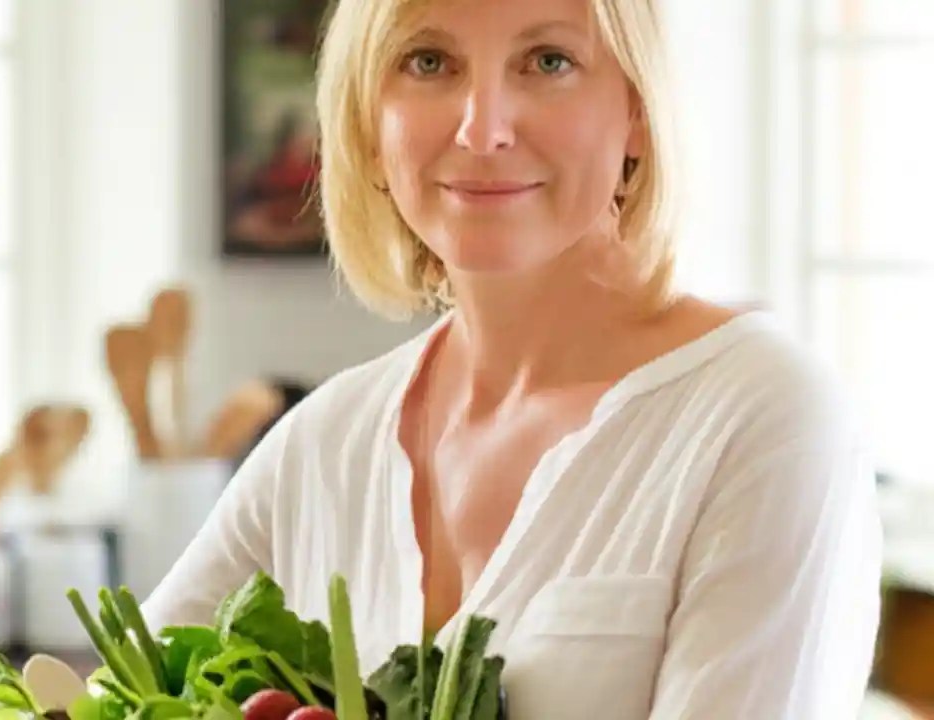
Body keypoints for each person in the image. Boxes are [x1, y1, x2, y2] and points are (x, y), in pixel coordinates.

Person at [143, 0, 883, 717]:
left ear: (635, 112)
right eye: (428, 61)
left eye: (548, 61)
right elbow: (101, 701)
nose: (482, 128)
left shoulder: (765, 416)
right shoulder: (321, 445)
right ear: (369, 123)